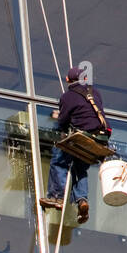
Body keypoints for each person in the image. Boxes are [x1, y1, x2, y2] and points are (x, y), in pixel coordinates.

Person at [39, 67, 111, 224]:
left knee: (59, 160)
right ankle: (82, 200)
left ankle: (56, 197)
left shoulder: (67, 96)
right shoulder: (95, 93)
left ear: (67, 80)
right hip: (100, 136)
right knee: (80, 168)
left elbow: (63, 121)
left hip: (82, 135)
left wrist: (54, 131)